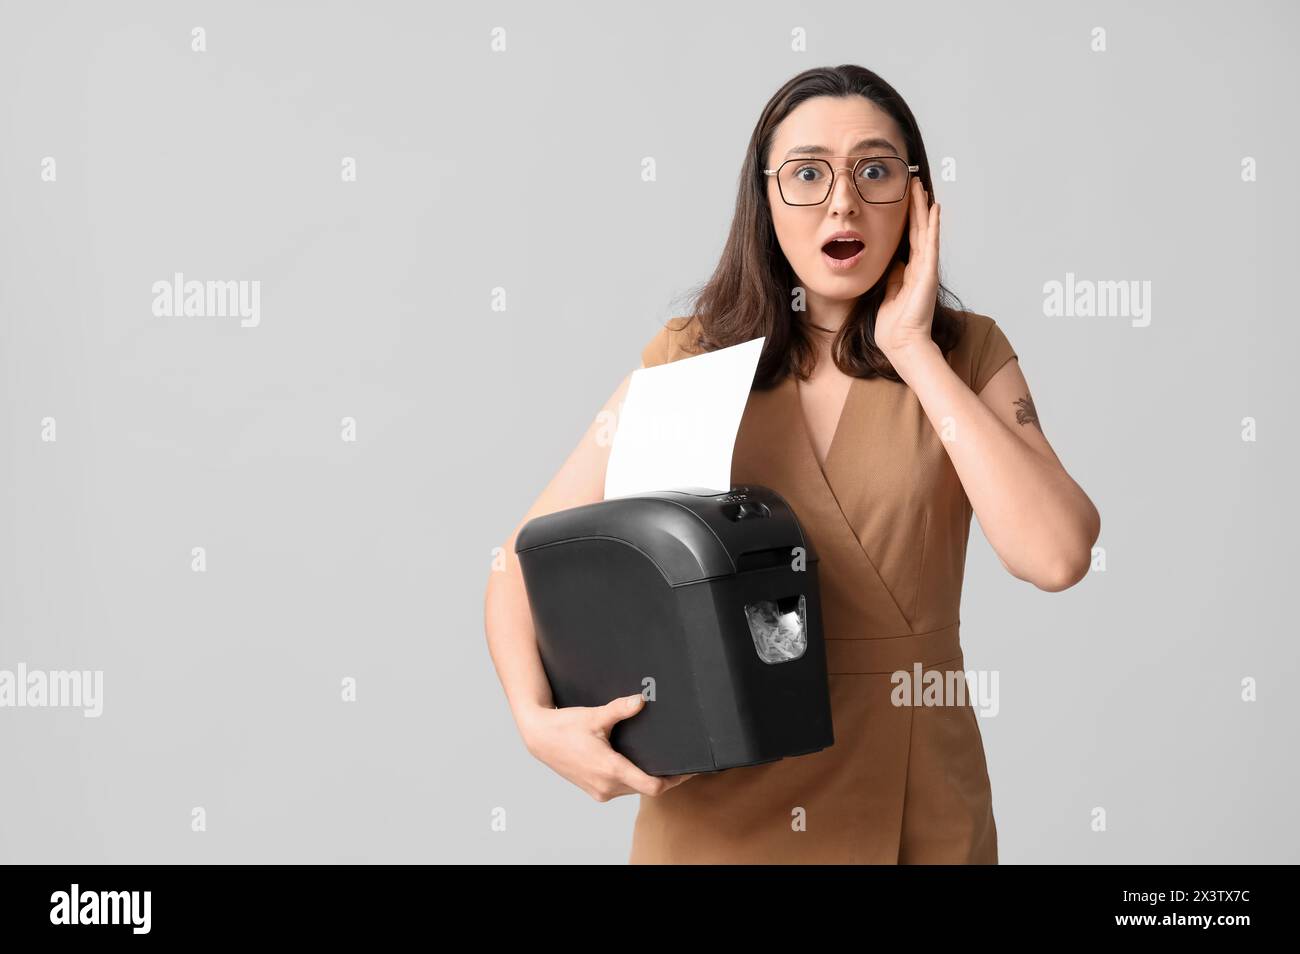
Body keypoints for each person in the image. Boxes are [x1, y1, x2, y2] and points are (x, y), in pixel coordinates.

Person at [483, 64, 1100, 863]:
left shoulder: (964, 351)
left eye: (874, 171)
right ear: (766, 199)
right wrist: (537, 723)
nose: (842, 201)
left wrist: (913, 349)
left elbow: (1055, 555)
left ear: (917, 199)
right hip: (721, 797)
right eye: (808, 173)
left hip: (911, 793)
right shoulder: (691, 357)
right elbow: (522, 562)